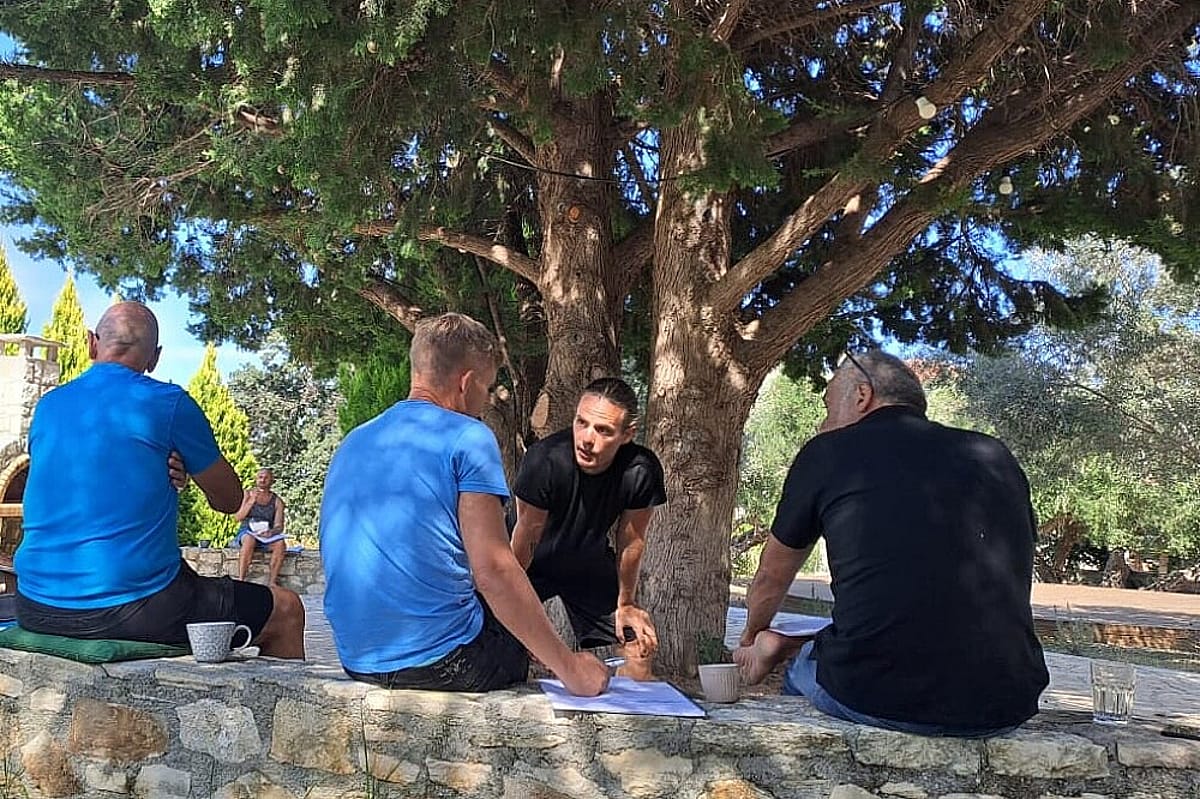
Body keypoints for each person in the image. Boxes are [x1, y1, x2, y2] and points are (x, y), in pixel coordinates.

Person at [734, 350, 1048, 737]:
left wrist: (750, 635)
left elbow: (771, 575)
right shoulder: (995, 455)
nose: (822, 421)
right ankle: (792, 644)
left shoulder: (828, 452)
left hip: (877, 694)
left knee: (805, 681)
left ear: (862, 395)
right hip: (1006, 701)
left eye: (828, 405)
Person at [320, 312, 609, 696]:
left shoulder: (353, 441)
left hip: (357, 660)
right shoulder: (468, 436)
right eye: (488, 389)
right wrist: (572, 669)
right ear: (466, 382)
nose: (487, 401)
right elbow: (492, 569)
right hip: (443, 663)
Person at [13, 302, 305, 658]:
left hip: (33, 604)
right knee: (286, 609)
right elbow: (228, 502)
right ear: (155, 358)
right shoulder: (169, 403)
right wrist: (188, 471)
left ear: (91, 344)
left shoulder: (48, 406)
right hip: (132, 608)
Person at [510, 378, 666, 679]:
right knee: (501, 649)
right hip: (528, 564)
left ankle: (633, 716)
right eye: (581, 423)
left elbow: (631, 541)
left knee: (638, 645)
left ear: (627, 435)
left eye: (603, 430)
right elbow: (525, 539)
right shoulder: (544, 459)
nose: (586, 438)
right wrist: (518, 616)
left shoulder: (641, 470)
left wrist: (626, 603)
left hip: (588, 565)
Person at [234, 468, 287, 585]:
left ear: (272, 481)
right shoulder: (247, 494)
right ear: (256, 479)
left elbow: (279, 526)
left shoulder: (277, 501)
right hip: (247, 532)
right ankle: (241, 580)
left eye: (266, 477)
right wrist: (251, 501)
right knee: (249, 540)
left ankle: (272, 582)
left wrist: (271, 532)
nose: (263, 480)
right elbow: (237, 517)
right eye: (260, 477)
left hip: (266, 535)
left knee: (281, 543)